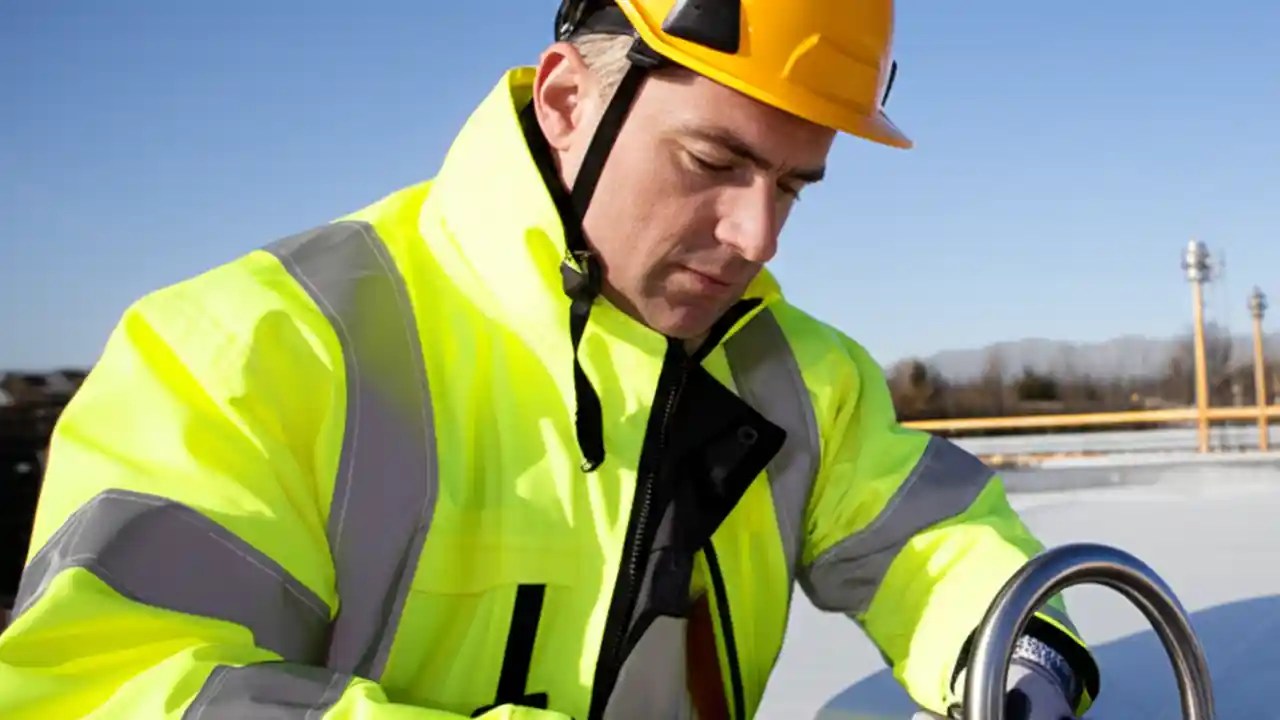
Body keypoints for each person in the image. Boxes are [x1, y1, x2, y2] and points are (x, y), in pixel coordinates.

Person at [0, 2, 1100, 718]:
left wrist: (1013, 649)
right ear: (570, 98)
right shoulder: (253, 347)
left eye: (791, 187)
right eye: (714, 160)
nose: (757, 237)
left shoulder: (795, 376)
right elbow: (104, 685)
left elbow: (932, 543)